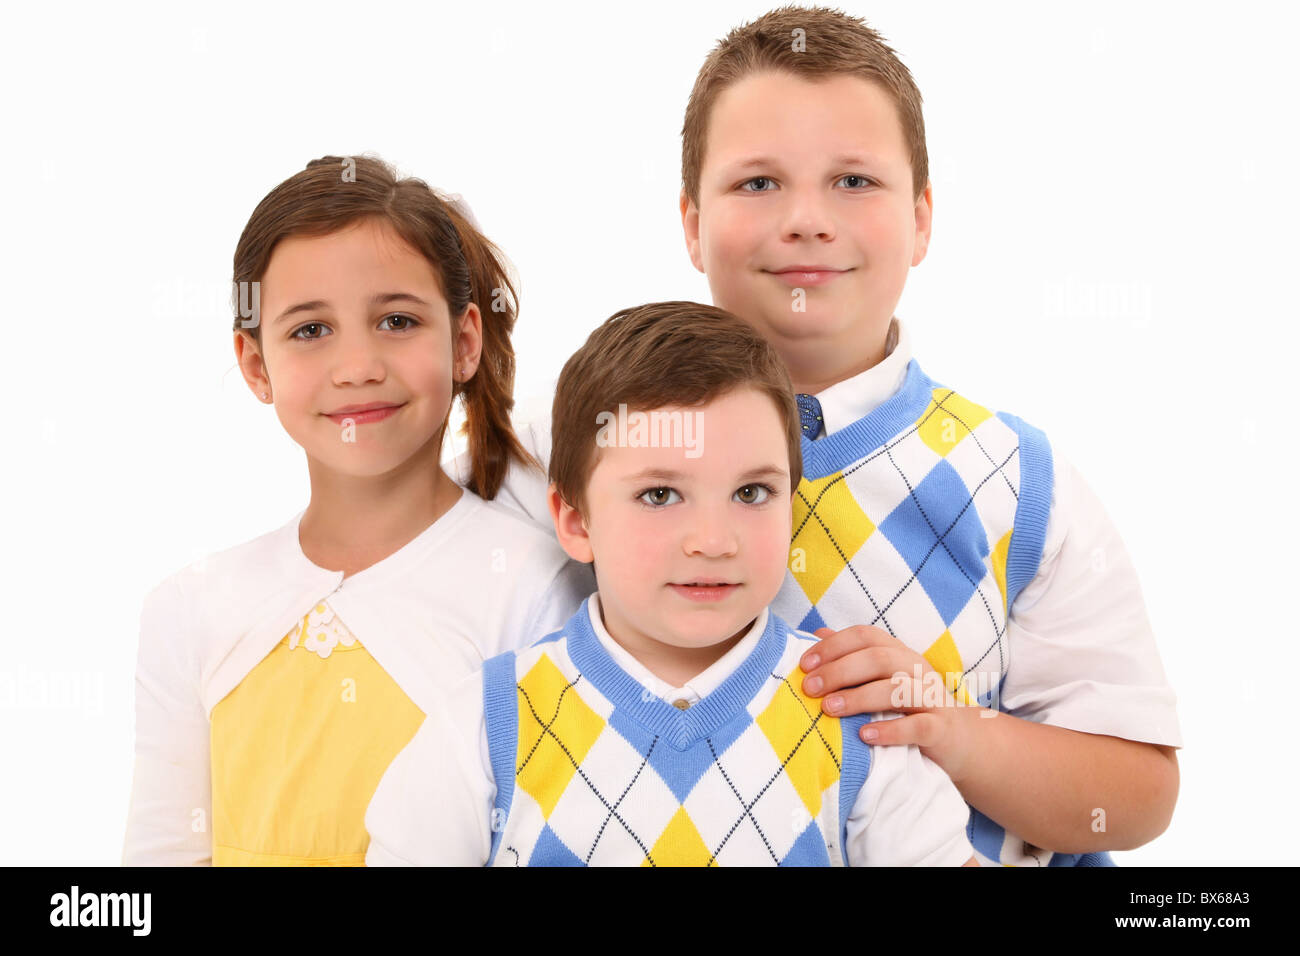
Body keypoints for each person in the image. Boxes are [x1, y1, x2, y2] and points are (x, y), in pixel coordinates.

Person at [452, 7, 1182, 866]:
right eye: (758, 183)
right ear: (691, 220)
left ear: (922, 219)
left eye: (854, 182)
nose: (806, 219)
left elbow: (1136, 798)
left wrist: (946, 727)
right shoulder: (558, 446)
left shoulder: (1017, 482)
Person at [366, 301, 978, 866]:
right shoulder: (488, 722)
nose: (712, 540)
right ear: (577, 522)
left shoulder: (855, 723)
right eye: (660, 495)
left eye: (751, 493)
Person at [122, 154, 591, 866]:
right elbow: (158, 862)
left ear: (465, 341)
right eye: (311, 330)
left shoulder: (533, 588)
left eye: (396, 320)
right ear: (256, 366)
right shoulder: (189, 610)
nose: (357, 365)